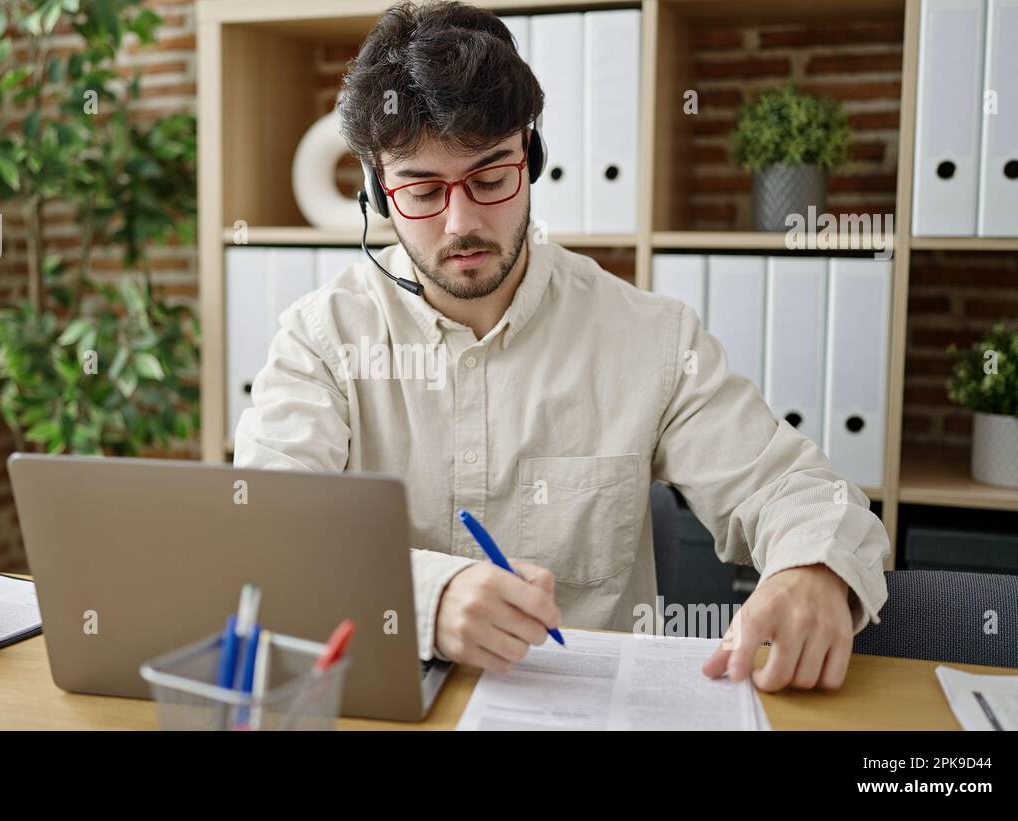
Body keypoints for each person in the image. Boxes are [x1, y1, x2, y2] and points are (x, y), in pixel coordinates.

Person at [234, 0, 889, 692]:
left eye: (490, 179)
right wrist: (431, 595)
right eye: (422, 190)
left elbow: (794, 489)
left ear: (532, 156)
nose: (462, 223)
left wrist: (812, 569)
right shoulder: (322, 340)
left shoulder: (648, 338)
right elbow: (265, 534)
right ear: (376, 190)